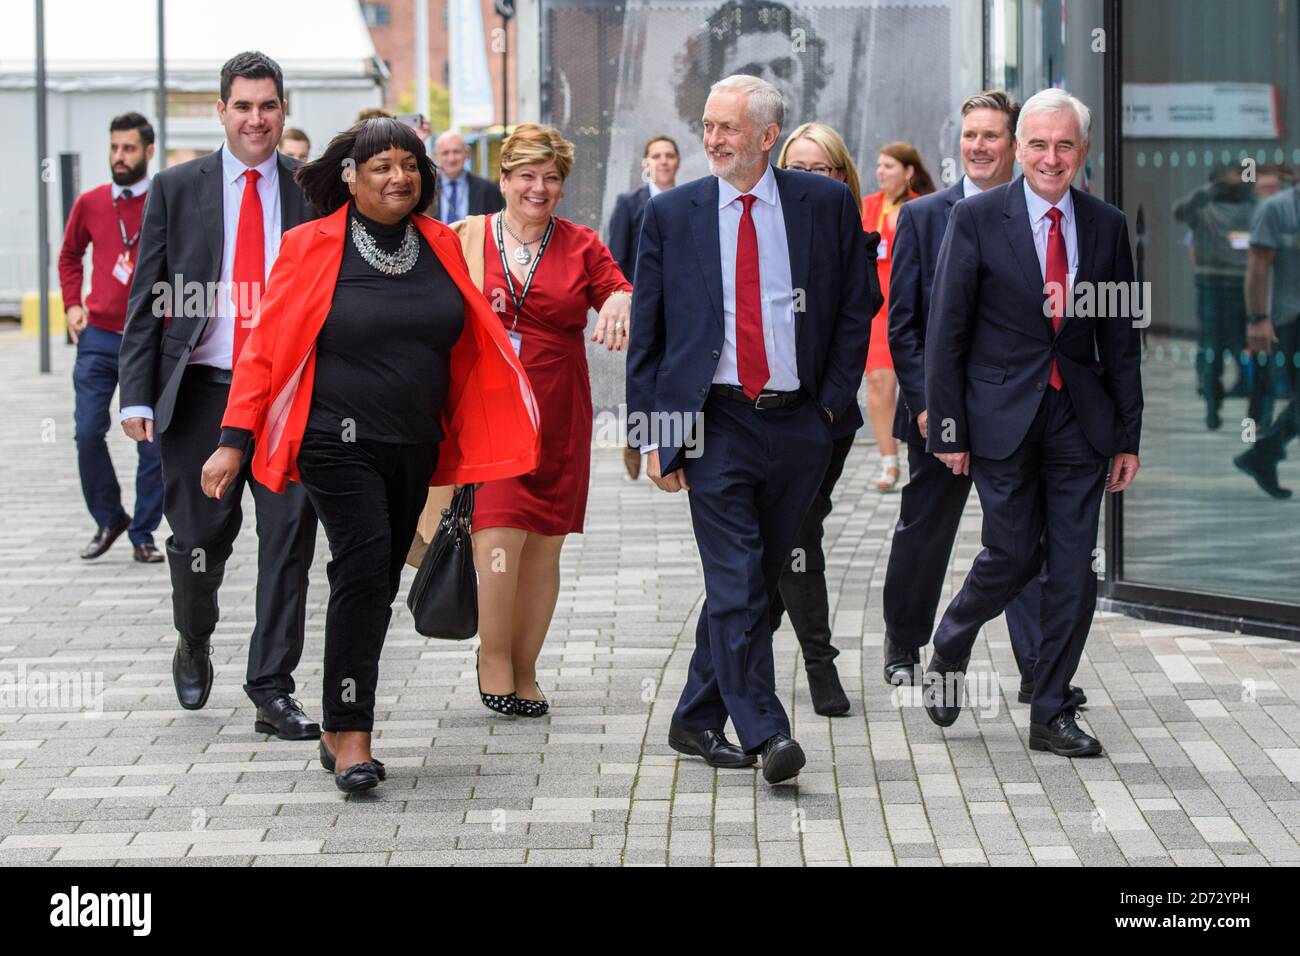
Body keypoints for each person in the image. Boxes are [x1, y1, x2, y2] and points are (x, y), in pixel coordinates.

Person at [200, 118, 539, 792]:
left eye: (409, 164)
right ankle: (353, 735)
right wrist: (233, 440)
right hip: (333, 438)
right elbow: (264, 348)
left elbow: (468, 341)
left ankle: (334, 722)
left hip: (415, 440)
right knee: (362, 565)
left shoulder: (441, 243)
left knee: (377, 583)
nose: (398, 176)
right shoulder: (309, 245)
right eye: (381, 164)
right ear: (350, 176)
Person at [628, 75, 873, 784]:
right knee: (736, 579)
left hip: (800, 423)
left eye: (727, 128)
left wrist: (829, 406)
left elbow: (856, 307)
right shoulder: (674, 213)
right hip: (715, 422)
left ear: (768, 136)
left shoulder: (822, 204)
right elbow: (651, 334)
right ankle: (768, 734)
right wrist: (656, 436)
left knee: (759, 582)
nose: (711, 140)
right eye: (706, 125)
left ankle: (695, 718)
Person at [922, 89, 1142, 757]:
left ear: (1083, 151)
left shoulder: (1105, 225)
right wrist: (948, 430)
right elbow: (946, 331)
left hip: (1080, 418)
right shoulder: (977, 217)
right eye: (1039, 144)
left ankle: (1051, 709)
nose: (1052, 158)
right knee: (1013, 552)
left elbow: (1121, 337)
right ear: (1020, 149)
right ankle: (952, 640)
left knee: (1076, 571)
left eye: (1065, 145)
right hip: (999, 416)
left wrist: (1127, 435)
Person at [117, 51, 322, 738]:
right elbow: (148, 295)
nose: (256, 118)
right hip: (202, 393)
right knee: (201, 540)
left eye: (268, 105)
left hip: (286, 396)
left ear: (283, 108)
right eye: (243, 106)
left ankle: (271, 687)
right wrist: (136, 395)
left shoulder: (310, 189)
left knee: (289, 537)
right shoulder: (178, 187)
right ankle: (193, 634)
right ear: (221, 110)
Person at [881, 91, 1085, 714]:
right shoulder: (925, 216)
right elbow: (908, 324)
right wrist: (929, 409)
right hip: (938, 411)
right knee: (926, 529)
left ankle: (1033, 668)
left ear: (1015, 143)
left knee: (1017, 540)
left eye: (991, 136)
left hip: (1018, 411)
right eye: (970, 135)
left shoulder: (1049, 214)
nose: (978, 146)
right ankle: (907, 641)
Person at [446, 123, 630, 719]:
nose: (539, 187)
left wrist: (623, 300)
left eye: (551, 178)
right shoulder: (468, 238)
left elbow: (617, 289)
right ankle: (493, 657)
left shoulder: (581, 245)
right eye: (527, 175)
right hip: (492, 412)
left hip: (560, 409)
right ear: (503, 179)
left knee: (544, 549)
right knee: (499, 536)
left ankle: (526, 669)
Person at [769, 121, 881, 716]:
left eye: (823, 170)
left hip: (824, 420)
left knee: (793, 533)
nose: (808, 181)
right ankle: (812, 658)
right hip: (758, 415)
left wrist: (829, 406)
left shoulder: (853, 240)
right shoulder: (755, 234)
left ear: (843, 179)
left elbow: (855, 324)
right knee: (792, 534)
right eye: (797, 169)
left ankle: (780, 652)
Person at [58, 112, 164, 565]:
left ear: (148, 152)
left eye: (129, 149)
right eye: (114, 148)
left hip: (150, 340)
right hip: (98, 337)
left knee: (154, 441)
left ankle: (143, 532)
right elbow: (69, 256)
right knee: (86, 431)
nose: (119, 157)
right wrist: (72, 304)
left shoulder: (166, 198)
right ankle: (108, 517)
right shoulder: (91, 202)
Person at [862, 142, 936, 491]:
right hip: (875, 310)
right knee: (878, 382)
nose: (881, 172)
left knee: (910, 381)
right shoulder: (867, 206)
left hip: (909, 310)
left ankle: (922, 446)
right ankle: (888, 460)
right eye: (879, 166)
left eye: (889, 166)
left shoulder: (923, 208)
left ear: (908, 171)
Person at [608, 134, 681, 479]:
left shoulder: (689, 201)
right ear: (645, 163)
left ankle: (672, 443)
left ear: (678, 162)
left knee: (675, 372)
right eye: (656, 155)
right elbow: (617, 256)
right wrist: (626, 299)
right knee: (644, 370)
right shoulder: (629, 203)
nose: (663, 161)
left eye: (669, 155)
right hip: (643, 303)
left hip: (682, 305)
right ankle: (638, 440)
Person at [1173, 166, 1257, 430]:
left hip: (1211, 285)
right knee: (1238, 344)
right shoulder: (1250, 208)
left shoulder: (1203, 207)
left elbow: (1180, 211)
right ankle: (1249, 404)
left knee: (1212, 346)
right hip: (1238, 286)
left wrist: (1212, 188)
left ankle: (1213, 401)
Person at [1235, 176, 1300, 499]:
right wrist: (1258, 318)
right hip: (1290, 319)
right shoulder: (1277, 209)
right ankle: (1264, 453)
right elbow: (1257, 266)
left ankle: (1263, 454)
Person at [433, 131, 505, 222]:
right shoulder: (427, 190)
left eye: (457, 152)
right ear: (436, 156)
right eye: (445, 153)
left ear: (467, 153)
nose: (451, 159)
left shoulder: (488, 190)